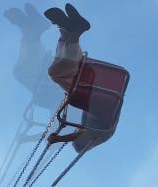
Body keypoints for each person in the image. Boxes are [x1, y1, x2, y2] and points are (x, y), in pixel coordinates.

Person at [44, 4, 115, 154]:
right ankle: (75, 32)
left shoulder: (93, 127)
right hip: (97, 102)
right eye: (77, 142)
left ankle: (66, 31)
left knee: (62, 72)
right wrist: (59, 139)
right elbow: (79, 135)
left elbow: (79, 133)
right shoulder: (97, 135)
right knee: (56, 73)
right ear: (85, 144)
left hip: (99, 97)